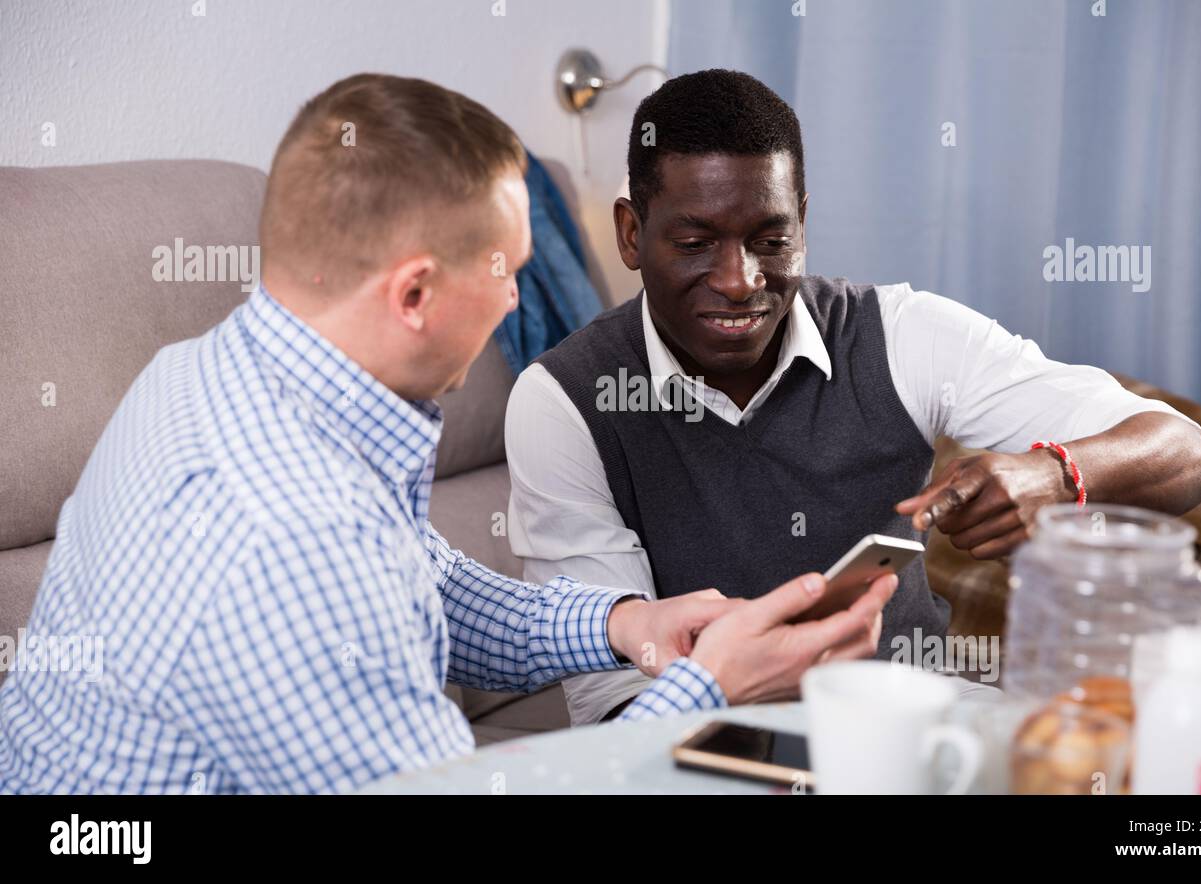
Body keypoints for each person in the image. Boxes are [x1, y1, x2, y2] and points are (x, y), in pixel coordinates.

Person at [0, 73, 894, 794]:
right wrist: (713, 692)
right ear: (415, 294)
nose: (516, 301)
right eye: (506, 271)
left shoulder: (213, 372)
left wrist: (628, 623)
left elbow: (418, 580)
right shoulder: (287, 530)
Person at [504, 69, 1201, 725]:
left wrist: (1055, 473)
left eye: (770, 240)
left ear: (803, 221)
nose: (739, 280)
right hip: (707, 753)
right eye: (695, 243)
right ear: (632, 234)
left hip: (924, 725)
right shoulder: (562, 403)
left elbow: (1194, 453)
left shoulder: (901, 334)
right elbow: (613, 706)